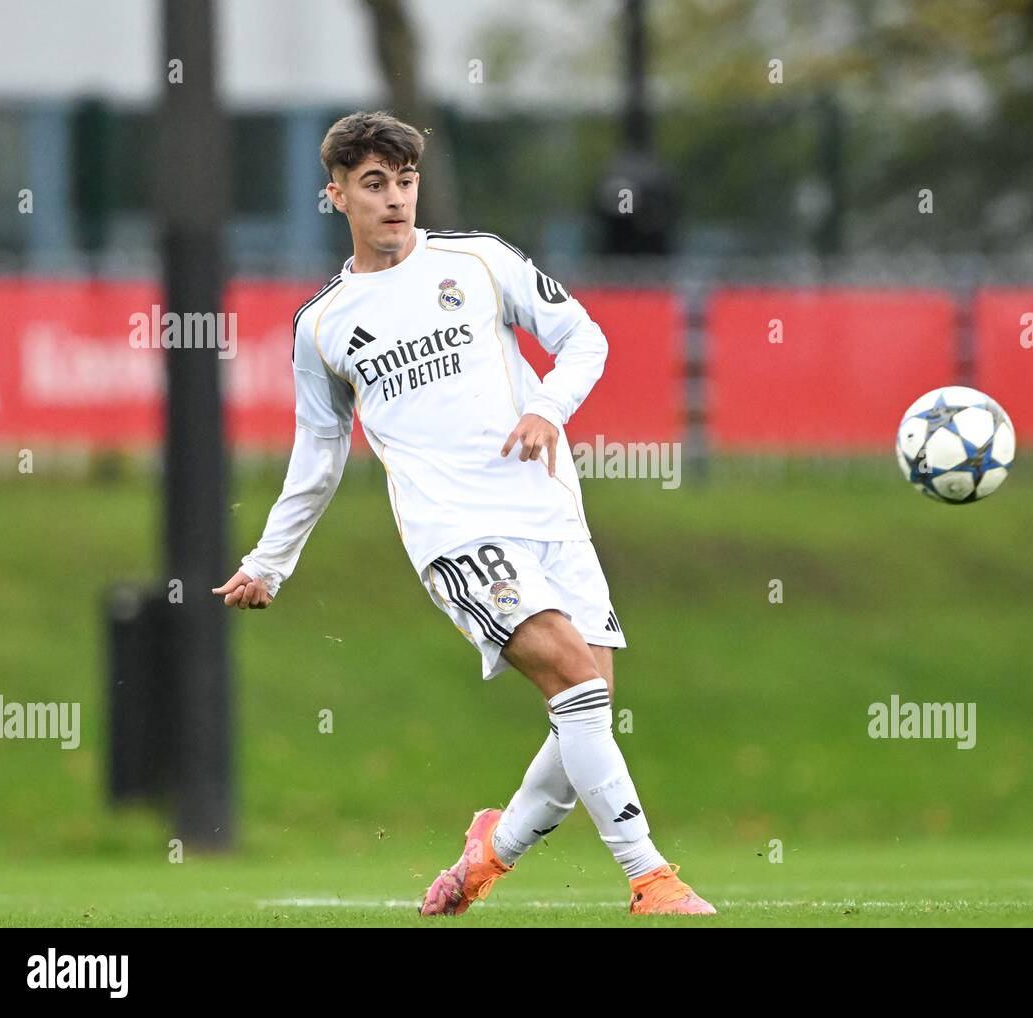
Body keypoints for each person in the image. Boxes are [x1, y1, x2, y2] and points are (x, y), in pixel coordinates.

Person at [212, 110, 714, 917]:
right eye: (373, 184)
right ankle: (649, 876)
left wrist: (548, 407)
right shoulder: (324, 326)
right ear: (335, 194)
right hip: (456, 530)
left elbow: (583, 336)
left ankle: (492, 852)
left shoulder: (478, 261)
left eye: (404, 181)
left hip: (550, 511)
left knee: (588, 701)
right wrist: (270, 561)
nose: (394, 199)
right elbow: (318, 452)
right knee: (573, 679)